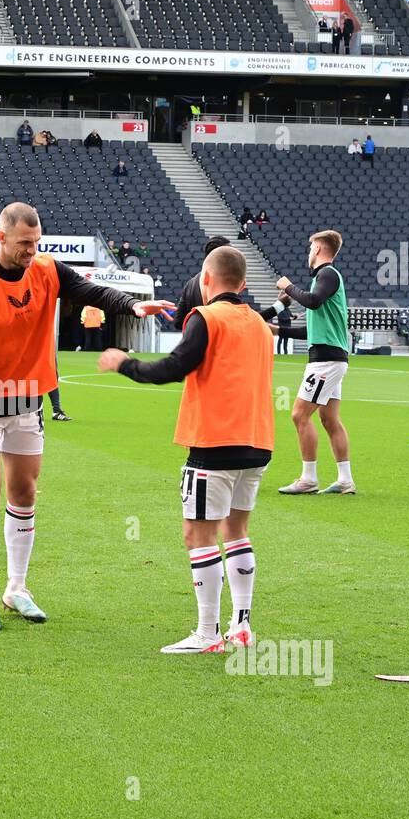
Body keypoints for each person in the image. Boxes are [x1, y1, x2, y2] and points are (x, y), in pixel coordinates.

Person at [0, 202, 175, 631]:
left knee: (25, 493)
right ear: (1, 238)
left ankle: (16, 588)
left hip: (28, 404)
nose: (32, 250)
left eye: (37, 242)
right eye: (25, 243)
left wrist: (131, 306)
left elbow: (91, 290)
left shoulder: (47, 268)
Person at [98, 246, 273, 654]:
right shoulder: (261, 325)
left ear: (206, 280)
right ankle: (241, 625)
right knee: (237, 531)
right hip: (258, 442)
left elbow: (174, 367)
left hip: (214, 442)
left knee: (198, 534)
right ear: (244, 283)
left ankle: (208, 633)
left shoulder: (206, 318)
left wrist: (126, 364)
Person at [272, 230, 355, 496]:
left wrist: (288, 286)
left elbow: (313, 301)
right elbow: (312, 331)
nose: (309, 254)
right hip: (332, 357)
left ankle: (308, 479)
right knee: (330, 419)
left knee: (299, 415)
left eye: (310, 249)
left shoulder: (327, 274)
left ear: (318, 248)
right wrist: (278, 331)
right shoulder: (327, 279)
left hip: (326, 361)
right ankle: (345, 480)